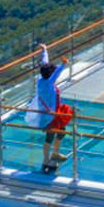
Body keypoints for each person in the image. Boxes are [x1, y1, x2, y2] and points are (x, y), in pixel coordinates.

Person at [28, 44, 70, 174]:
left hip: (48, 114)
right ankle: (48, 159)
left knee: (59, 132)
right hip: (51, 115)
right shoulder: (49, 83)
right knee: (51, 136)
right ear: (51, 75)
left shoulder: (41, 80)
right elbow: (56, 73)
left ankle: (51, 157)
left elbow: (44, 64)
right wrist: (63, 64)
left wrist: (45, 50)